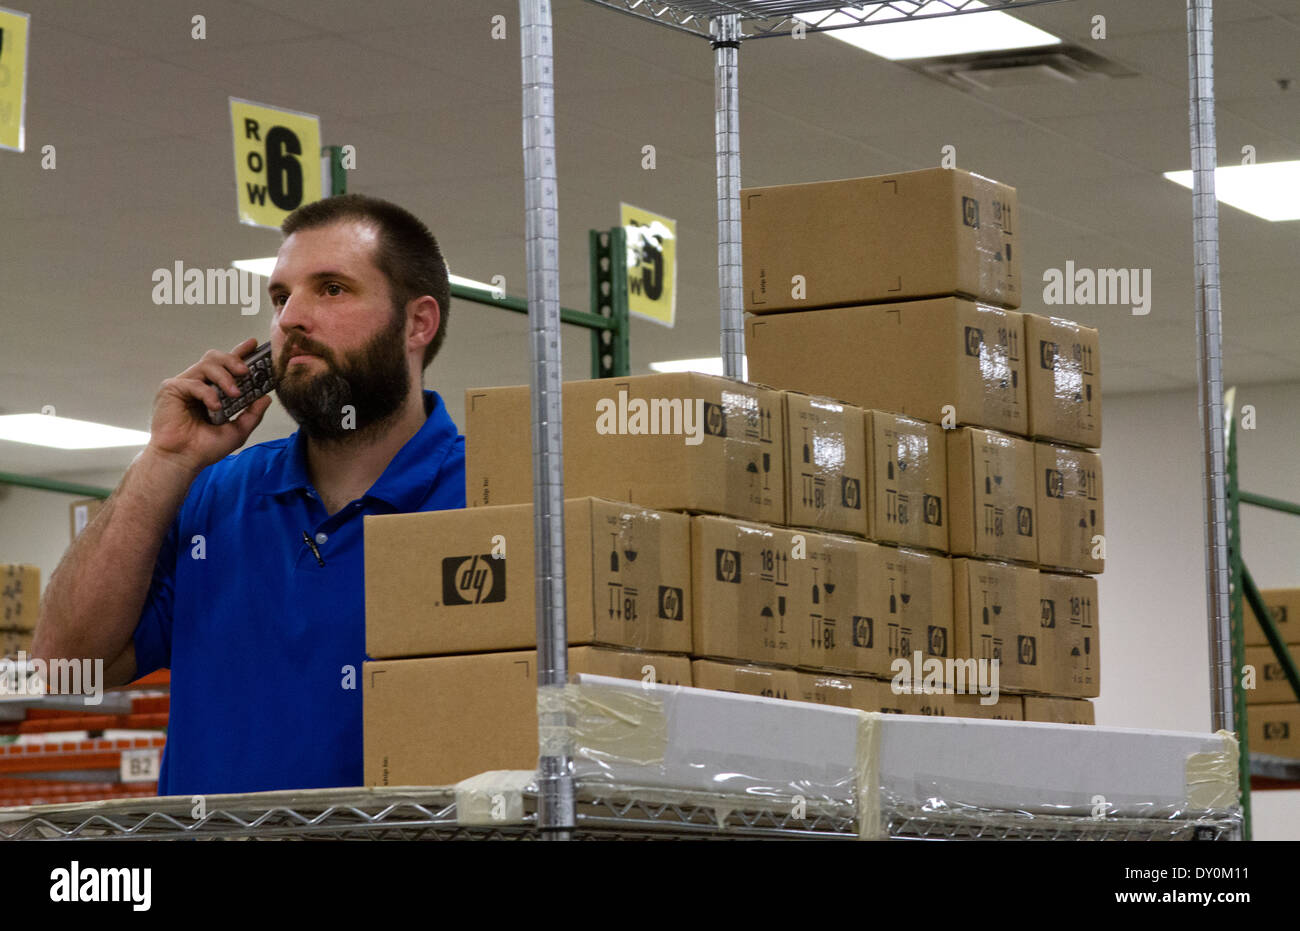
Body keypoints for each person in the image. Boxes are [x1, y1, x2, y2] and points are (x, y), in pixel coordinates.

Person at [33, 194, 466, 795]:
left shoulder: (494, 498)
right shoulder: (215, 498)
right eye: (281, 298)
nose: (291, 320)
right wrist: (165, 460)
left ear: (417, 323)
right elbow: (62, 670)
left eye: (332, 289)